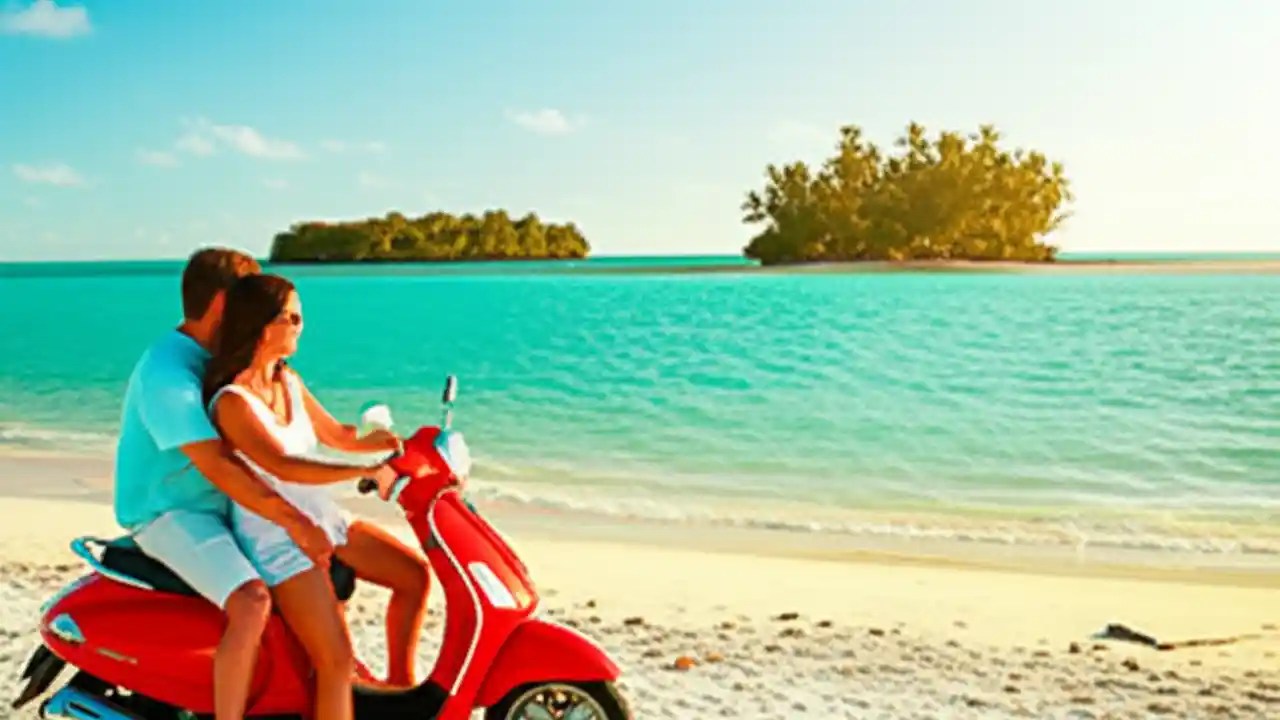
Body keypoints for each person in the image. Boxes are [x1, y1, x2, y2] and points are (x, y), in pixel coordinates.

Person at [113, 247, 400, 720]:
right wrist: (296, 521)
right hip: (171, 512)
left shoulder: (219, 360)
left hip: (223, 506)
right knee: (251, 600)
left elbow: (300, 441)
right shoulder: (169, 372)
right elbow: (222, 467)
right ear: (227, 304)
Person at [203, 273, 431, 720]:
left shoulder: (288, 381)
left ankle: (401, 693)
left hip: (323, 519)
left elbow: (336, 435)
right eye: (292, 316)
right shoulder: (232, 403)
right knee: (337, 661)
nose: (300, 324)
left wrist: (395, 445)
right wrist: (364, 471)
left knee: (414, 575)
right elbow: (282, 466)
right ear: (263, 326)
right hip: (277, 540)